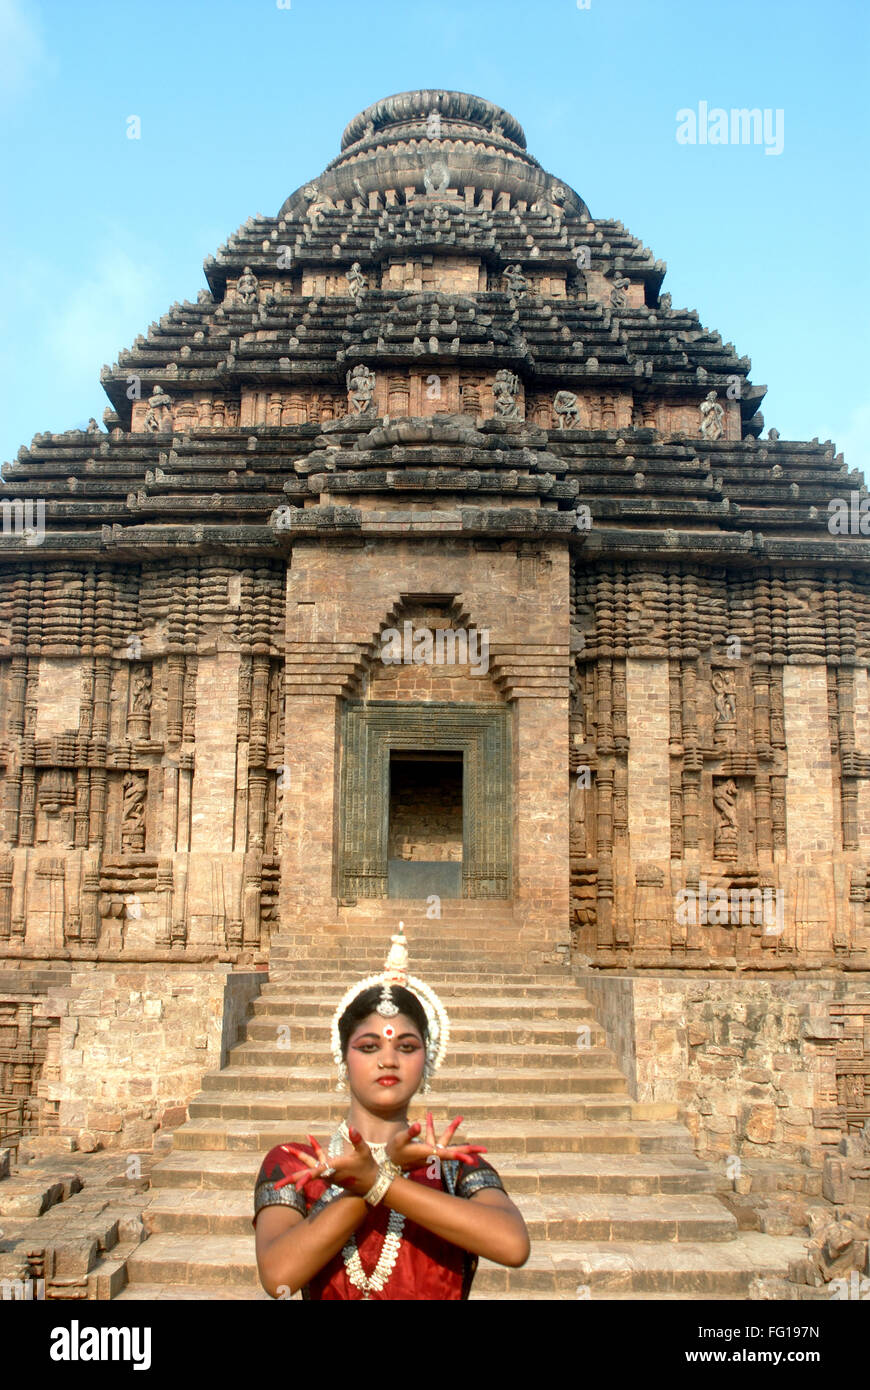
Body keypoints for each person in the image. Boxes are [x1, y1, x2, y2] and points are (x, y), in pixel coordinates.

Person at [253, 927, 530, 1299]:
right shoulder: (295, 1164)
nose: (388, 1060)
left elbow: (512, 1246)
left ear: (427, 1059)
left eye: (406, 1046)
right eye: (369, 1047)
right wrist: (372, 1181)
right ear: (343, 1059)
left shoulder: (452, 1166)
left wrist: (384, 1180)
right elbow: (279, 1276)